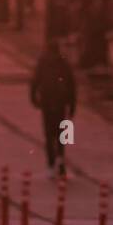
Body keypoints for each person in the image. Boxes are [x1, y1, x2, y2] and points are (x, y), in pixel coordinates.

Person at [30, 39, 77, 175]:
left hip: (46, 102)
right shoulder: (64, 63)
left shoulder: (42, 63)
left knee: (49, 134)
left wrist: (33, 98)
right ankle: (60, 158)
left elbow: (35, 81)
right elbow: (72, 86)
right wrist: (72, 105)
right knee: (62, 133)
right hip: (61, 103)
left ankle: (50, 163)